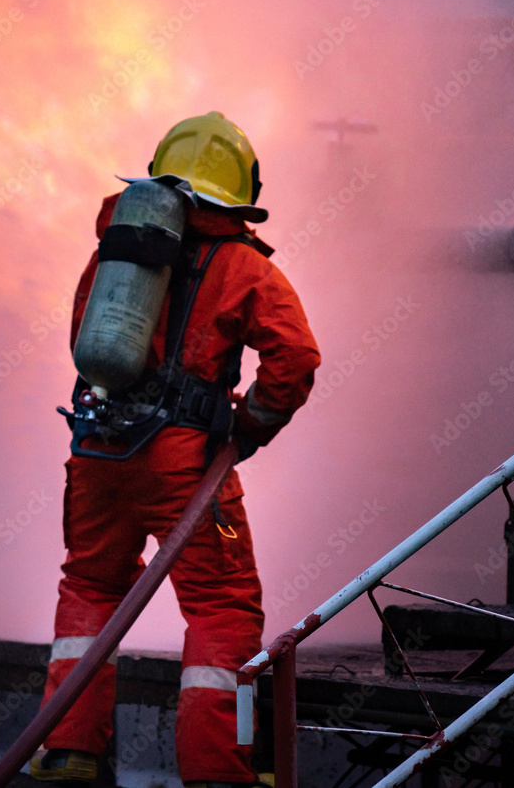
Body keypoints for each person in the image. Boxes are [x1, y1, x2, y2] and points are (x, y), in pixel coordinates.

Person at [29, 112, 321, 787]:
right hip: (185, 467)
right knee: (222, 605)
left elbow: (84, 336)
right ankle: (220, 770)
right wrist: (251, 425)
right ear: (237, 192)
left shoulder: (117, 252)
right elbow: (296, 356)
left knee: (91, 586)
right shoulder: (242, 265)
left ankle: (70, 753)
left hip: (96, 451)